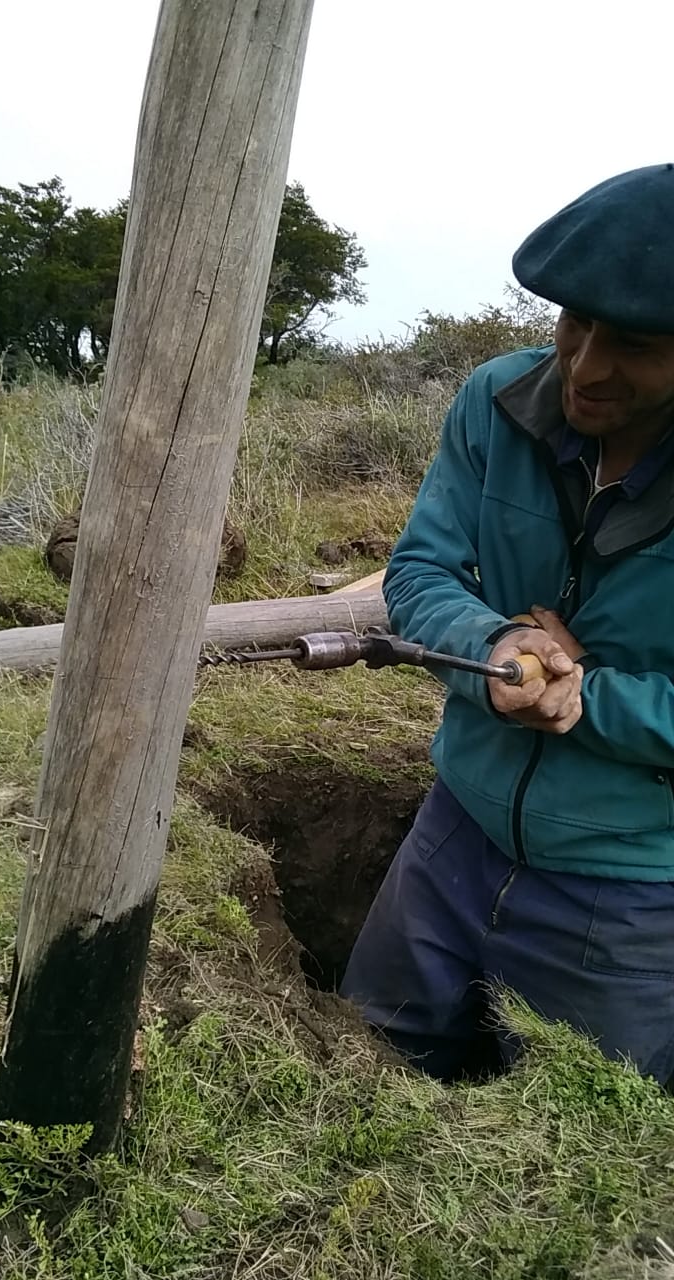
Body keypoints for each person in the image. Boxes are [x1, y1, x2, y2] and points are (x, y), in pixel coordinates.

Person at [340, 164, 674, 1086]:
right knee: (362, 1076)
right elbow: (421, 568)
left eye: (636, 344)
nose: (586, 365)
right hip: (451, 836)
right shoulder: (496, 402)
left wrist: (585, 696)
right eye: (575, 322)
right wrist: (498, 648)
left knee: (575, 1166)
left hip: (636, 891)